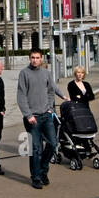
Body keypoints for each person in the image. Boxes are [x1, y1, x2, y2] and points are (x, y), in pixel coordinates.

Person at [17, 49, 66, 190]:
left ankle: (43, 170)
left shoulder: (46, 73)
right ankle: (36, 177)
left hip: (46, 116)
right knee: (36, 149)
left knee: (53, 143)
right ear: (29, 58)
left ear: (41, 59)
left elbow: (51, 91)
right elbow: (21, 96)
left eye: (37, 58)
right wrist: (28, 115)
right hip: (33, 118)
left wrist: (50, 107)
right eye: (32, 57)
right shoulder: (24, 73)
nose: (35, 60)